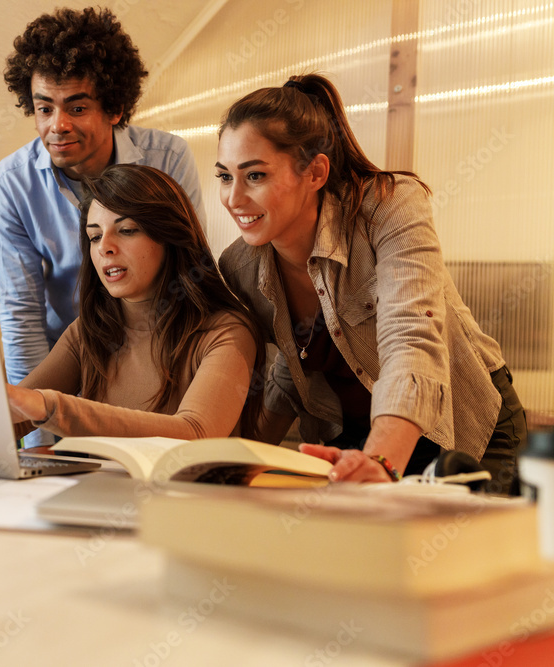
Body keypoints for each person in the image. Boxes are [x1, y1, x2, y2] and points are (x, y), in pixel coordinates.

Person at [216, 74, 525, 493]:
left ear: (315, 172)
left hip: (463, 423)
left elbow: (412, 340)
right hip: (357, 439)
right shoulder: (240, 265)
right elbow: (293, 365)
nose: (233, 199)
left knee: (457, 552)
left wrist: (381, 458)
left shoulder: (390, 207)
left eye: (254, 176)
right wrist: (231, 464)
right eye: (224, 176)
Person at [0, 7, 207, 442]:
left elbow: (189, 271)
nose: (58, 126)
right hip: (65, 365)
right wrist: (39, 444)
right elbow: (21, 316)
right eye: (44, 108)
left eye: (77, 107)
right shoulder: (12, 183)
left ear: (115, 107)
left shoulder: (166, 159)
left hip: (158, 358)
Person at [6, 164, 262, 442]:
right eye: (95, 236)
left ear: (170, 236)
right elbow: (10, 419)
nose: (105, 246)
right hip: (98, 486)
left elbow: (195, 432)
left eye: (127, 230)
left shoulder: (226, 333)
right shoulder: (89, 330)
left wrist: (51, 407)